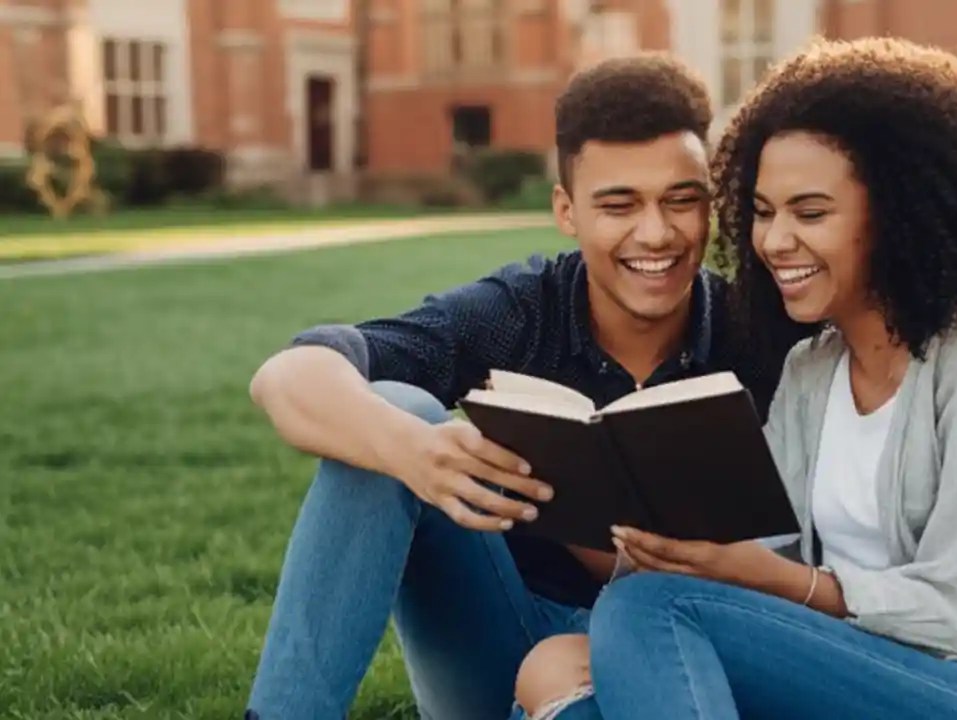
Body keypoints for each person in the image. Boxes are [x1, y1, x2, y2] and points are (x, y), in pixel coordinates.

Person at [513, 37, 957, 720]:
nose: (775, 241)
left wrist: (788, 584)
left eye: (810, 213)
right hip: (849, 671)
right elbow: (760, 547)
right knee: (566, 682)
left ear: (896, 214)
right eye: (763, 211)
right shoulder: (812, 370)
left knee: (646, 611)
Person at [242, 54, 807, 720]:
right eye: (618, 205)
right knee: (393, 411)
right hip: (508, 646)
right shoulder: (519, 313)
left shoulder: (761, 336)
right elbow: (289, 374)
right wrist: (416, 454)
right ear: (567, 210)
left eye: (681, 201)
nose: (655, 234)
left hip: (694, 659)